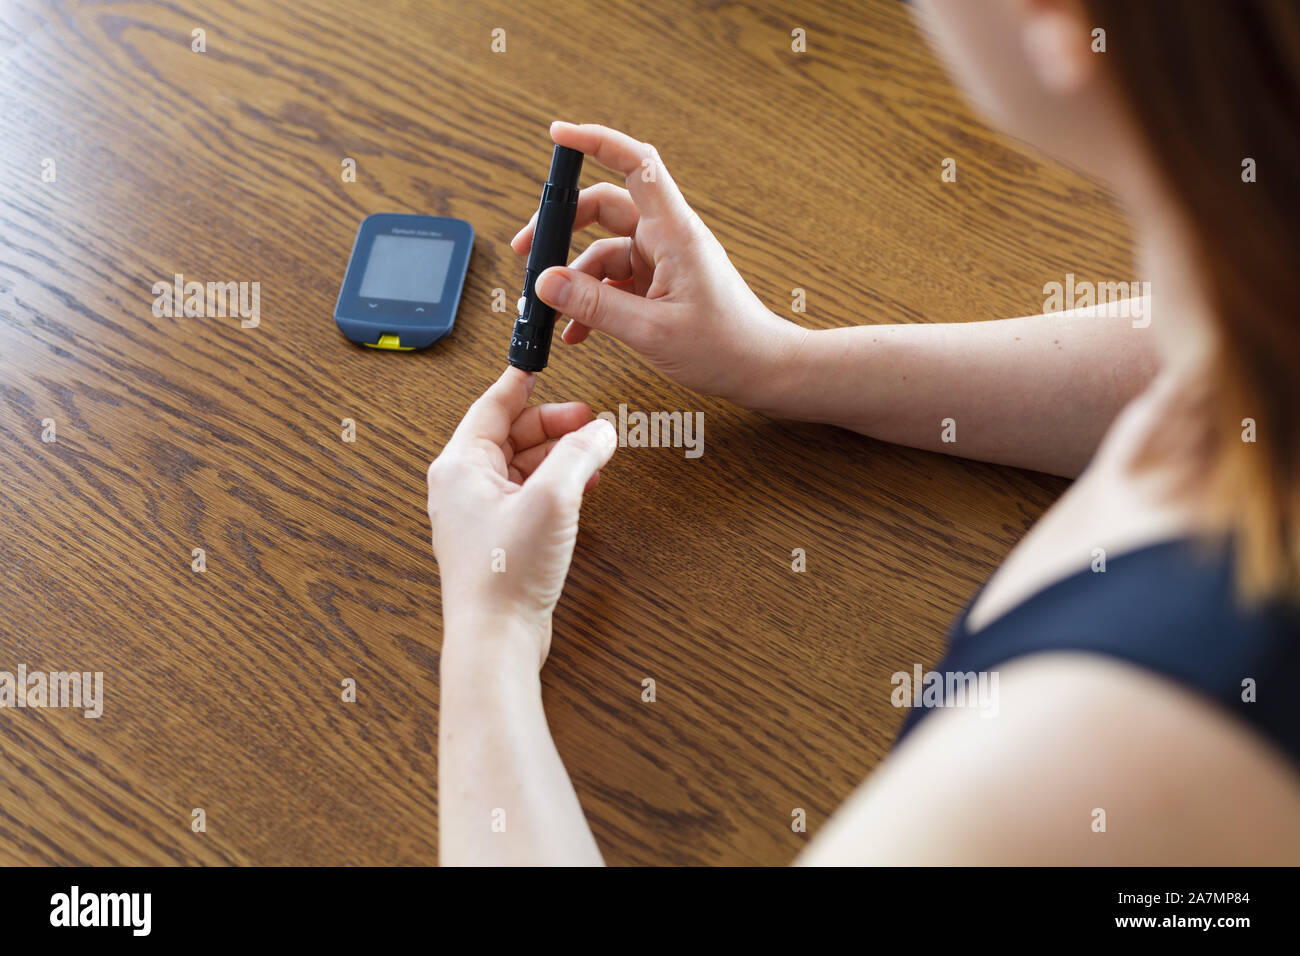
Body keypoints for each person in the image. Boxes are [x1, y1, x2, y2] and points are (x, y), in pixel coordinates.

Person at [429, 0, 1300, 865]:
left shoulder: (1099, 765)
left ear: (1056, 19)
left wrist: (489, 626)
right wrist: (779, 364)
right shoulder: (1265, 285)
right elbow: (1210, 361)